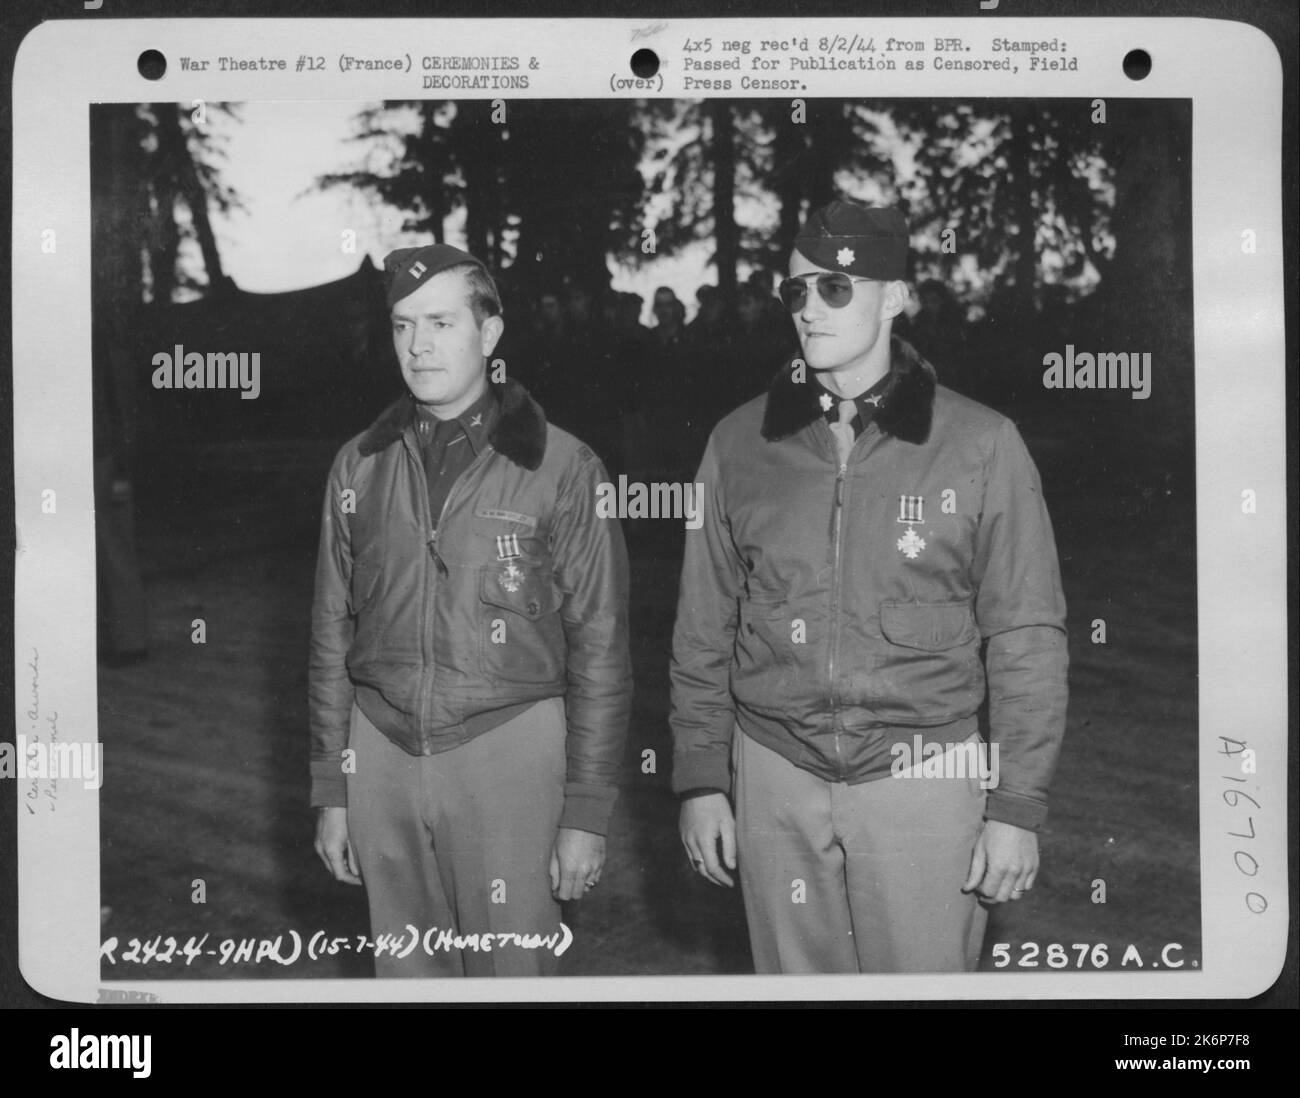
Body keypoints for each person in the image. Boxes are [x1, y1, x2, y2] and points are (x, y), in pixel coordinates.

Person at [670, 201, 1068, 974]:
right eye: (796, 292)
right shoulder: (737, 443)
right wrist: (698, 779)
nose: (810, 309)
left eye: (835, 289)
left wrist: (1016, 806)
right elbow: (701, 627)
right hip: (774, 770)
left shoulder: (982, 444)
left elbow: (1026, 633)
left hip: (923, 775)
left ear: (895, 297)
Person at [309, 244, 631, 977]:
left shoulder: (561, 466)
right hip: (380, 747)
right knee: (407, 980)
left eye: (441, 322)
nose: (418, 345)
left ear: (489, 335)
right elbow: (331, 633)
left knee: (513, 978)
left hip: (508, 748)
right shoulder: (359, 463)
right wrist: (333, 786)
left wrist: (584, 809)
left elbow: (602, 647)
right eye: (401, 325)